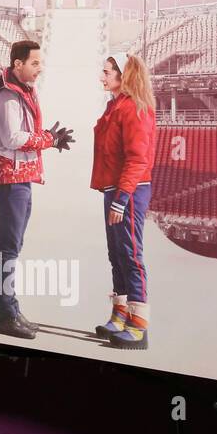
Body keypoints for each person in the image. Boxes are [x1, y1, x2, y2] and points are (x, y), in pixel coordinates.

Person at [0, 40, 73, 338]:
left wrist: (50, 139)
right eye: (34, 63)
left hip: (20, 175)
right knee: (8, 248)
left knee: (13, 246)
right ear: (17, 64)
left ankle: (9, 308)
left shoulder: (21, 91)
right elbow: (12, 138)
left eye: (40, 62)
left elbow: (25, 135)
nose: (40, 68)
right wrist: (48, 139)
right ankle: (5, 314)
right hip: (10, 177)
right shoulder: (7, 96)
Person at [90, 51, 156, 350]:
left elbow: (138, 158)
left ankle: (139, 326)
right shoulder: (115, 106)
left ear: (123, 75)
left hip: (128, 190)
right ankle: (120, 318)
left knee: (130, 255)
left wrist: (122, 199)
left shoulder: (134, 109)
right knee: (116, 255)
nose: (102, 77)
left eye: (107, 72)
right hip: (114, 188)